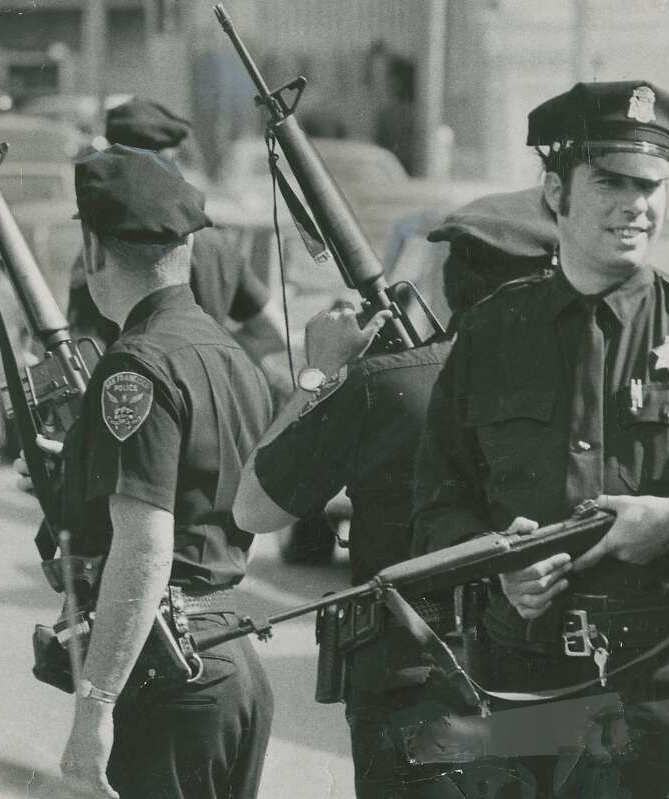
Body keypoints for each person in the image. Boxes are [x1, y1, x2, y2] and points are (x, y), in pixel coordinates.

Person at [410, 80, 669, 798]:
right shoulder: (488, 336)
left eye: (652, 184)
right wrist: (498, 563)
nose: (636, 203)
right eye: (610, 181)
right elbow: (436, 505)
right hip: (525, 679)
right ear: (554, 193)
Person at [234, 187, 558, 798]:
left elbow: (252, 506)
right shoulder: (582, 387)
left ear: (451, 283)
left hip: (423, 686)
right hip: (547, 686)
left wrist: (320, 374)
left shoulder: (385, 386)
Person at [31, 144, 273, 799]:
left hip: (170, 676)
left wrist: (95, 705)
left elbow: (144, 546)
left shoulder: (134, 365)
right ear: (187, 250)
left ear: (93, 251)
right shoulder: (231, 356)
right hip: (229, 658)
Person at [67, 99, 289, 397]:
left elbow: (84, 354)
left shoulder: (103, 249)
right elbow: (272, 333)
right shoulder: (218, 244)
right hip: (215, 402)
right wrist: (213, 357)